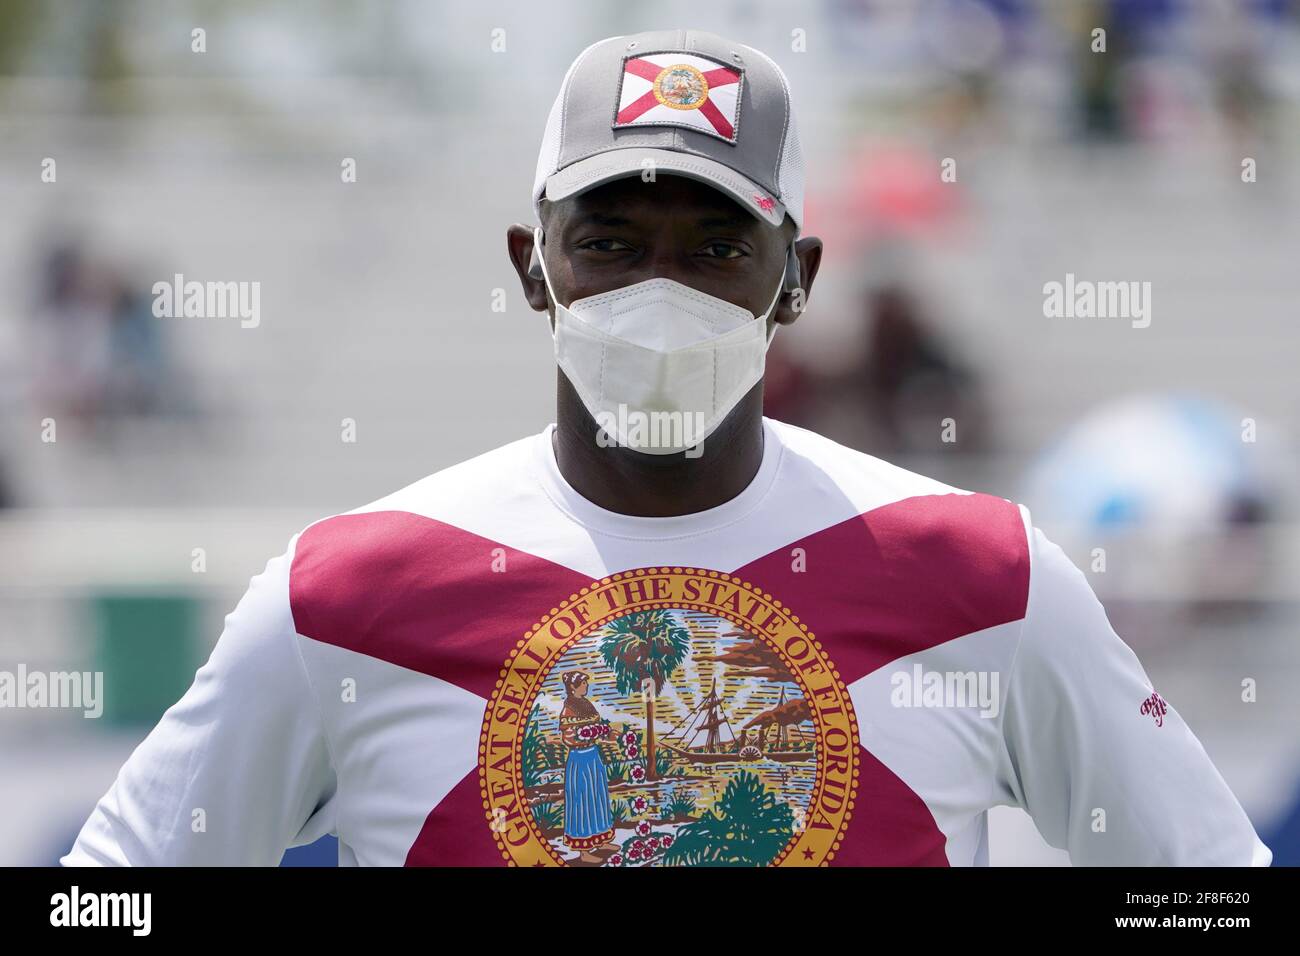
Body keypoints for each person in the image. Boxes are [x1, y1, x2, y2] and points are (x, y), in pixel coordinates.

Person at [62, 28, 1270, 867]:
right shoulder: (350, 592)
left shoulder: (978, 573)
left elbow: (1203, 880)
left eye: (711, 246)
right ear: (531, 265)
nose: (657, 285)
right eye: (609, 238)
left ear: (794, 277)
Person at [557, 671, 615, 861]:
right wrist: (589, 736)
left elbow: (597, 728)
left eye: (586, 683)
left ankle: (602, 840)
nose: (586, 686)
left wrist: (605, 735)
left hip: (593, 756)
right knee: (582, 800)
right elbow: (568, 737)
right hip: (579, 759)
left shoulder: (587, 704)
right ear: (573, 687)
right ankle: (584, 851)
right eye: (583, 683)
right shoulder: (568, 709)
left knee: (598, 796)